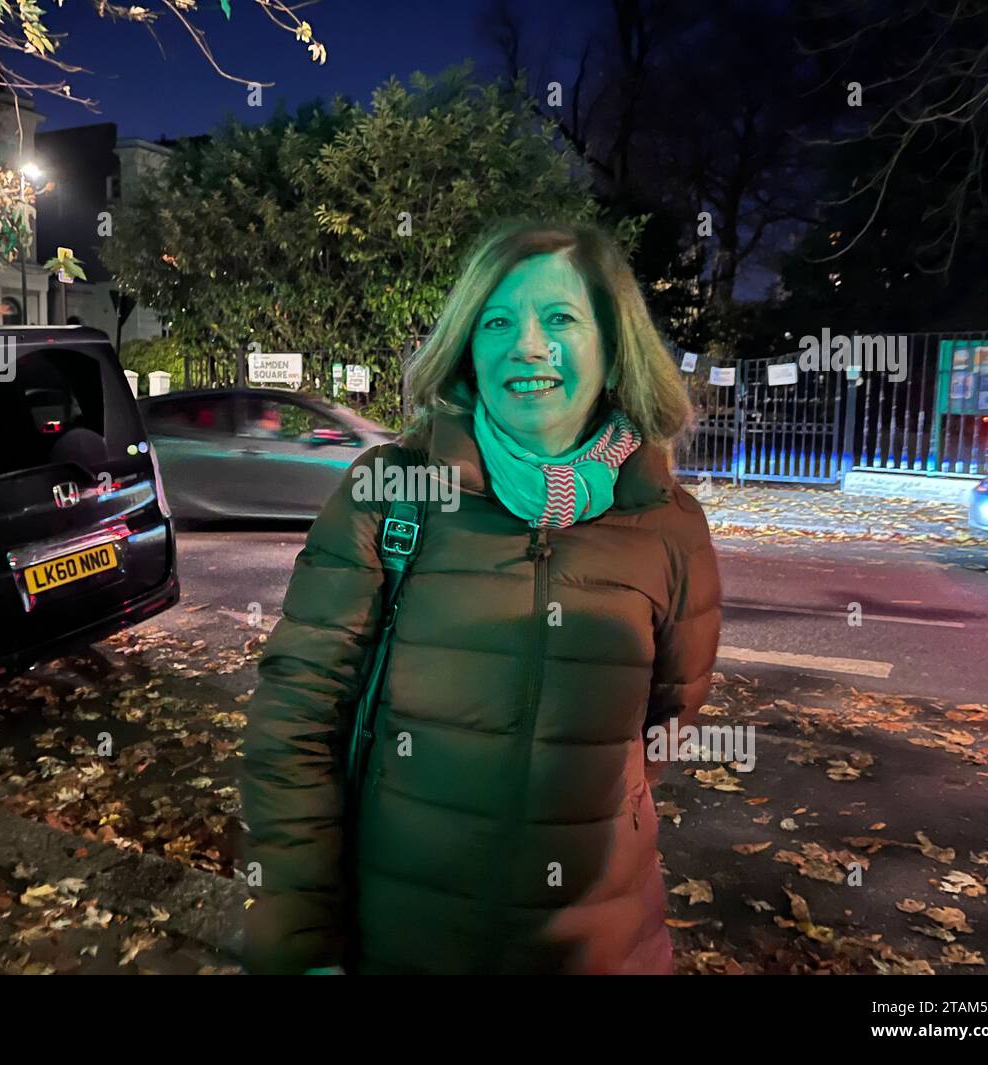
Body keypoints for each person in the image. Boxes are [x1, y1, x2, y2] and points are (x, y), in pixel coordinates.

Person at [239, 220, 722, 975]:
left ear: (612, 340)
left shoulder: (671, 524)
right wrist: (299, 944)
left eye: (559, 318)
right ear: (468, 343)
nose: (526, 345)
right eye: (497, 321)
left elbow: (664, 722)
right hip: (403, 940)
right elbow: (293, 727)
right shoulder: (389, 493)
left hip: (602, 944)